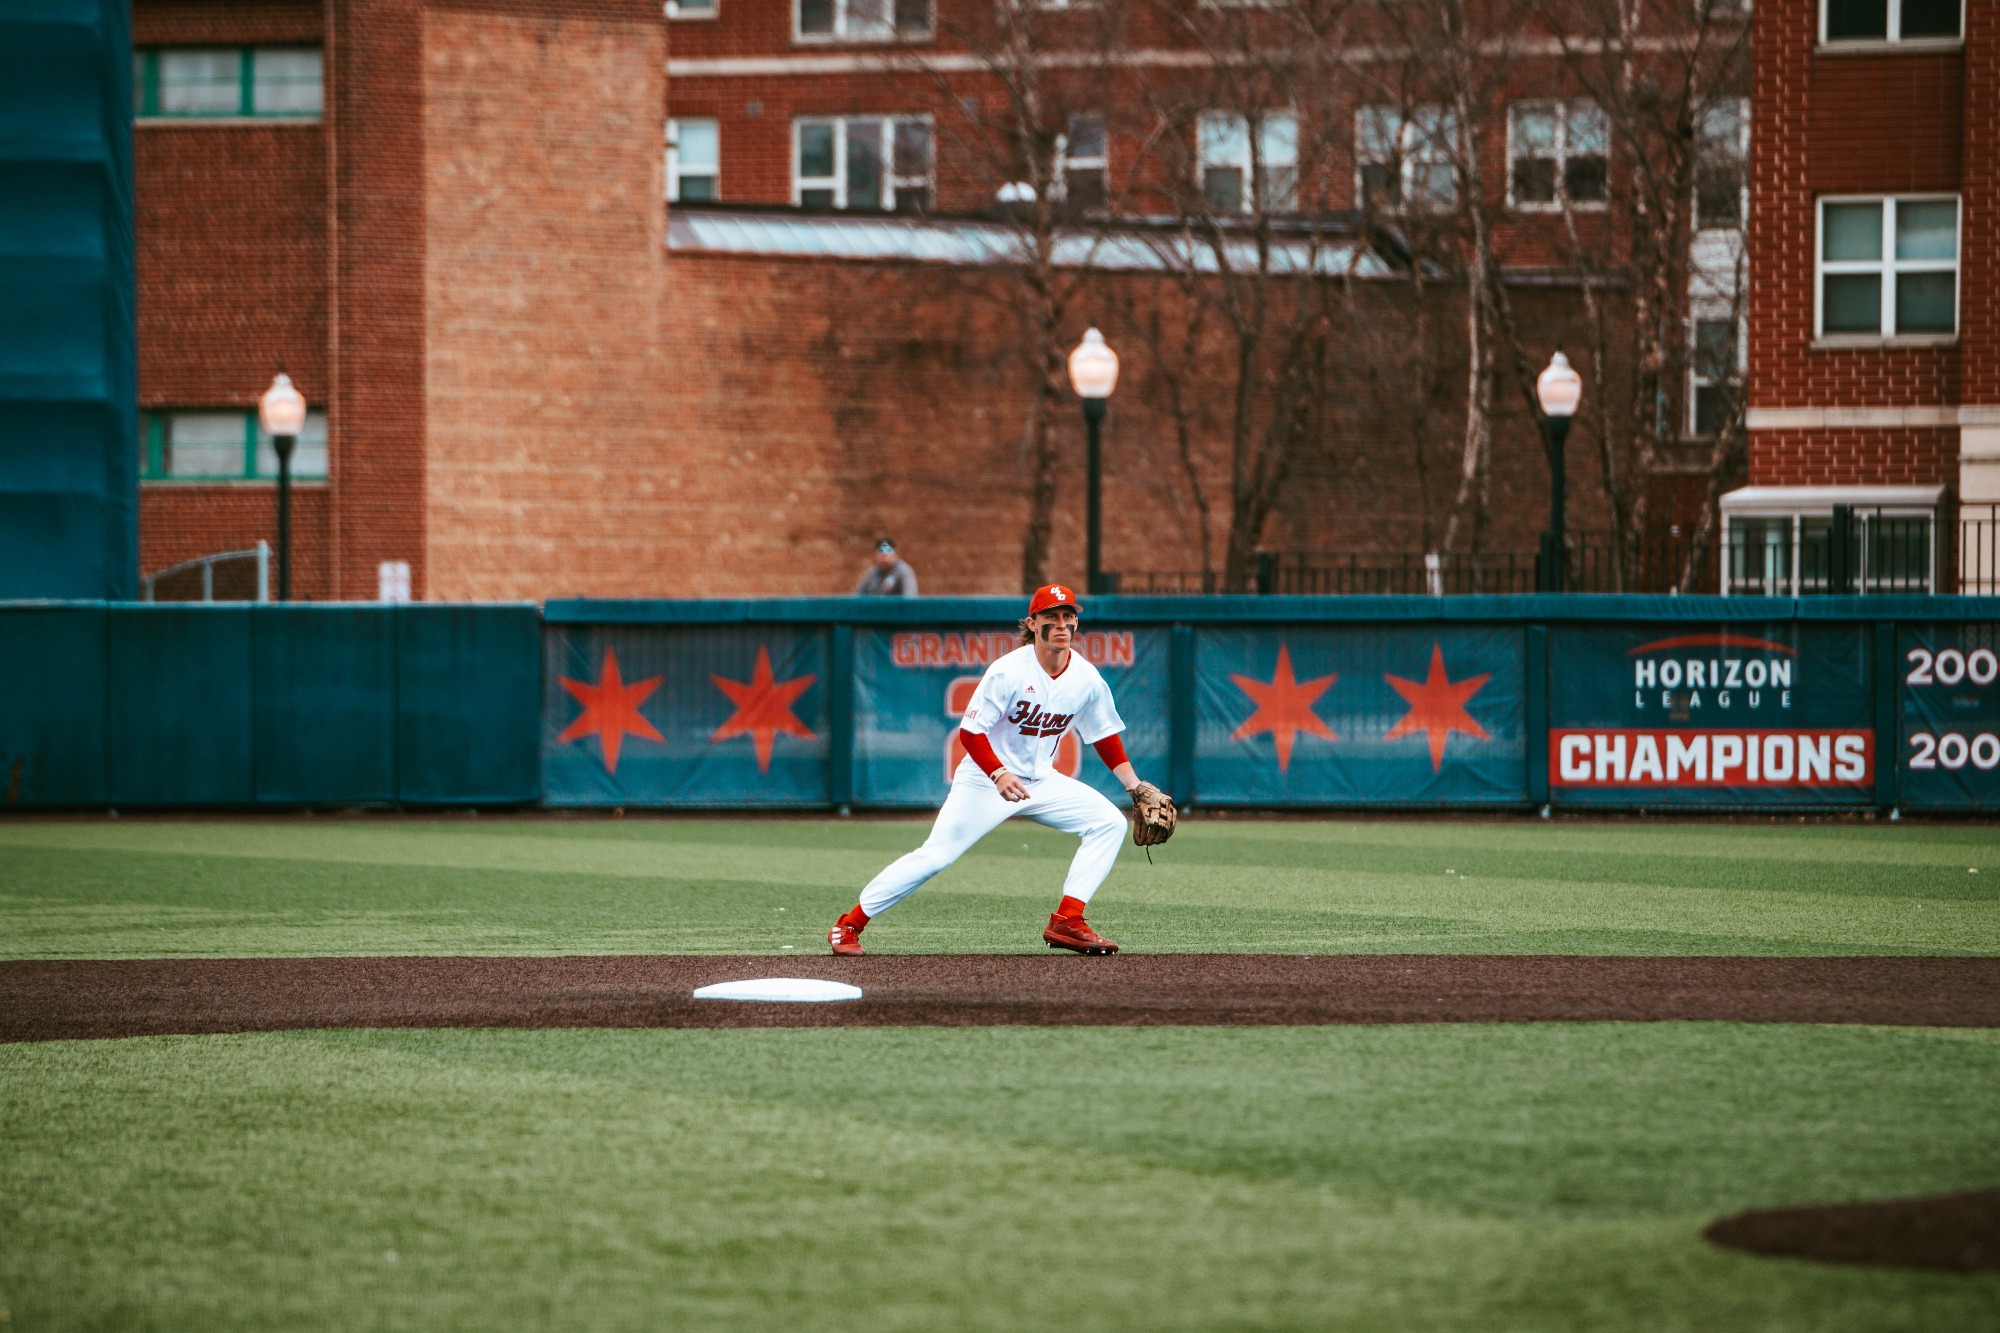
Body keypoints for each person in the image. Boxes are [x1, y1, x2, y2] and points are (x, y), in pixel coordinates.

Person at [829, 583, 1163, 956]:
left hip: (1042, 781)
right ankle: (850, 924)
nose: (1062, 624)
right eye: (1051, 617)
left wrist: (1134, 786)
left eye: (1068, 617)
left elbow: (1103, 735)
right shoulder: (1008, 671)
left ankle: (1068, 919)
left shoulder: (1086, 678)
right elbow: (971, 733)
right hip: (985, 781)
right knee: (936, 855)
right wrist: (998, 773)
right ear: (1033, 624)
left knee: (1109, 822)